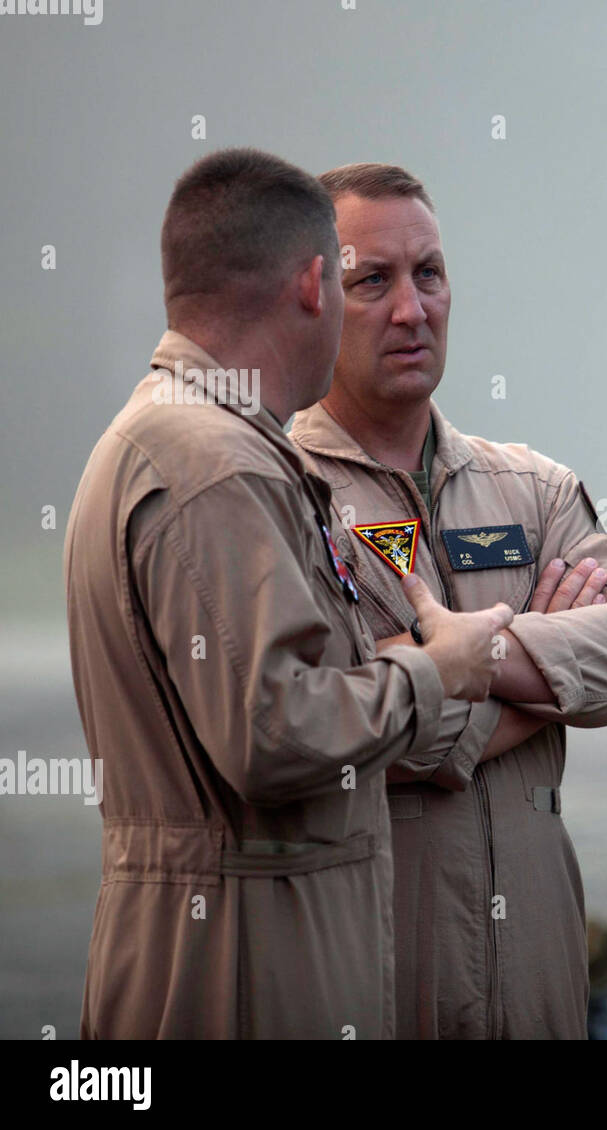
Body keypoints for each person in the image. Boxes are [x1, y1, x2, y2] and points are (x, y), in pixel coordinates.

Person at [64, 149, 512, 1039]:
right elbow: (272, 733)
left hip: (204, 950)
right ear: (315, 285)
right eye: (361, 283)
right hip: (246, 971)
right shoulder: (216, 465)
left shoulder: (164, 434)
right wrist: (438, 672)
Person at [288, 163, 607, 1039]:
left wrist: (476, 659)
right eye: (371, 281)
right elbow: (331, 729)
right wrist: (550, 684)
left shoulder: (529, 486)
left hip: (539, 963)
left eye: (428, 273)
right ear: (312, 299)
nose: (410, 308)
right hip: (380, 961)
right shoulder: (284, 496)